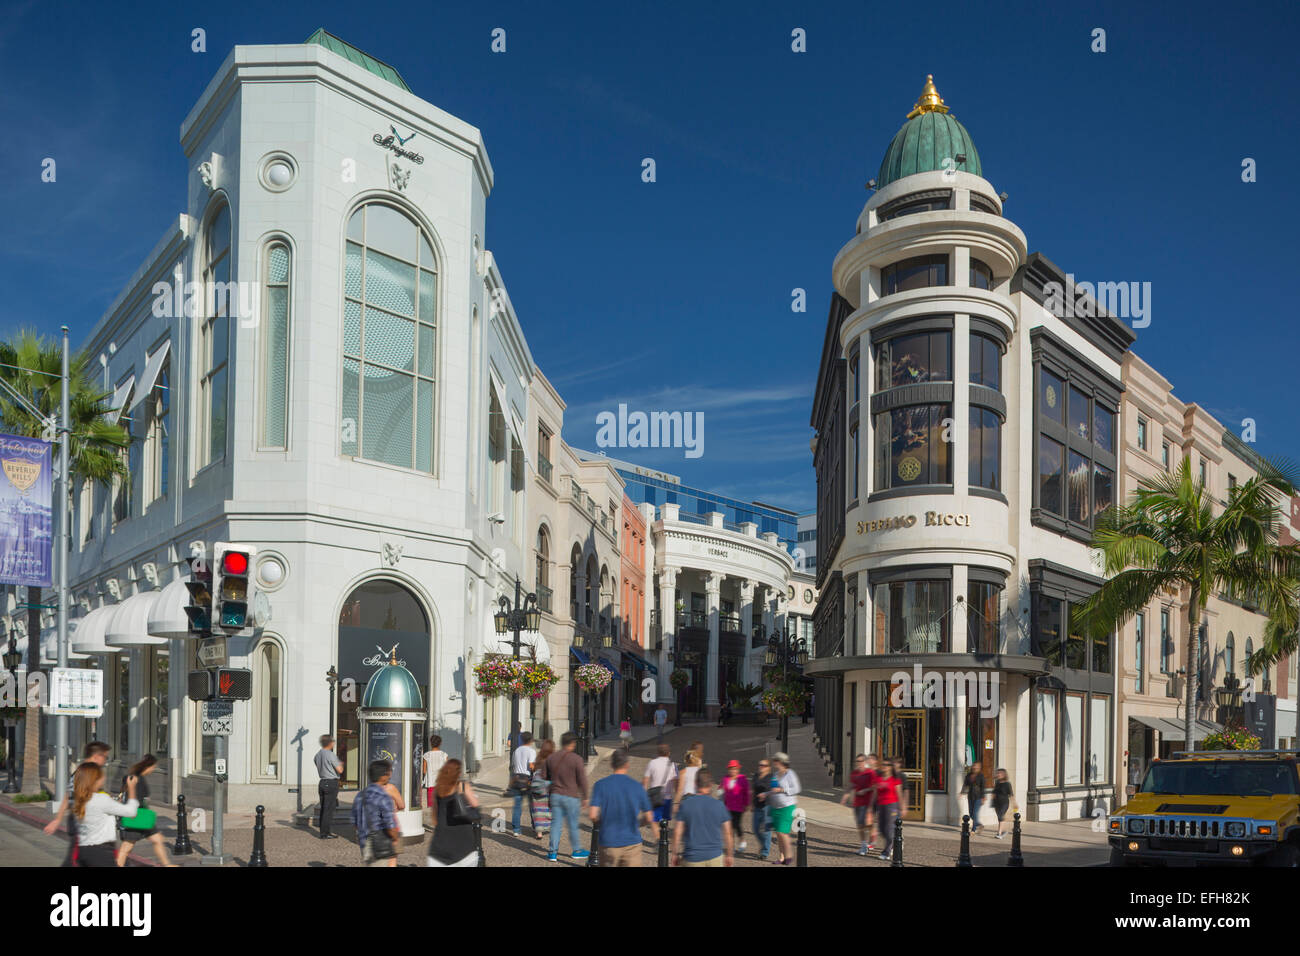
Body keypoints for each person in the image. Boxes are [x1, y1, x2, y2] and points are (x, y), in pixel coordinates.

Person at [45, 741, 111, 866]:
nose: (106, 761)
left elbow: (69, 796)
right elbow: (68, 797)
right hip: (82, 821)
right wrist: (57, 820)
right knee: (76, 858)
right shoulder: (83, 773)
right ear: (97, 756)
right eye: (105, 757)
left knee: (81, 857)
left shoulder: (87, 772)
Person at [589, 750, 652, 866]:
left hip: (608, 841)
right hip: (632, 843)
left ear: (612, 764)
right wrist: (638, 823)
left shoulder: (600, 785)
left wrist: (604, 822)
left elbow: (592, 815)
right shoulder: (637, 787)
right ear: (627, 764)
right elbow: (649, 817)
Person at [71, 761, 138, 868]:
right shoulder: (101, 799)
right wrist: (132, 788)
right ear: (94, 779)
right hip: (100, 852)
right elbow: (131, 812)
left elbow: (99, 814)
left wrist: (115, 804)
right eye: (101, 775)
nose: (104, 777)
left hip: (83, 851)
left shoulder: (79, 801)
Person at [114, 755, 175, 867]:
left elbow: (124, 795)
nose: (153, 770)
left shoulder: (132, 776)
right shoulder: (138, 779)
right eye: (153, 767)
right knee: (126, 847)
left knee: (157, 839)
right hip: (136, 817)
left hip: (142, 818)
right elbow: (133, 798)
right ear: (147, 766)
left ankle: (167, 865)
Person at [671, 771, 733, 866]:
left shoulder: (686, 805)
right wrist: (729, 855)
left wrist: (674, 854)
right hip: (715, 856)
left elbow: (677, 832)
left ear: (695, 783)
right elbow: (728, 833)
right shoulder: (719, 806)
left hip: (692, 857)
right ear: (711, 784)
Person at [545, 731, 589, 862]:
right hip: (571, 795)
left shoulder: (551, 758)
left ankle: (552, 853)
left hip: (555, 795)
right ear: (572, 744)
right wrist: (585, 797)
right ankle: (576, 850)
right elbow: (582, 780)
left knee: (555, 824)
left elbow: (545, 777)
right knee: (572, 824)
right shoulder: (576, 759)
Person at [427, 758, 480, 866]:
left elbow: (435, 816)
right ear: (459, 773)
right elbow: (475, 805)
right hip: (464, 845)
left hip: (440, 846)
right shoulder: (463, 786)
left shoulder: (438, 789)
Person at [352, 759, 399, 867]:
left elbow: (355, 823)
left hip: (364, 842)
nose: (390, 775)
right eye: (388, 773)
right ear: (383, 776)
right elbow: (390, 825)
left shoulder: (360, 795)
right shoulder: (383, 797)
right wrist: (395, 838)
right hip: (380, 844)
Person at [767, 752, 801, 865]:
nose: (774, 763)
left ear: (780, 761)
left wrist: (782, 790)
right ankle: (781, 857)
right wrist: (766, 794)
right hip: (775, 807)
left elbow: (797, 789)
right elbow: (773, 790)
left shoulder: (790, 773)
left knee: (782, 832)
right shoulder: (776, 774)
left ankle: (789, 856)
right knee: (778, 833)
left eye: (775, 761)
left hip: (787, 807)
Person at [840, 753, 877, 855]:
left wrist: (865, 790)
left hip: (868, 802)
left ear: (865, 762)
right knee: (860, 825)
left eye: (861, 761)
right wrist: (845, 797)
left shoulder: (870, 773)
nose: (859, 763)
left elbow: (875, 787)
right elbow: (851, 785)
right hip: (858, 803)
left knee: (868, 824)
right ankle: (864, 845)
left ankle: (873, 837)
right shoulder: (854, 773)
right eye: (857, 761)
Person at [314, 734, 343, 839]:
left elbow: (318, 765)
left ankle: (323, 831)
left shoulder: (317, 755)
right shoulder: (330, 755)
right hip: (331, 782)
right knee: (328, 809)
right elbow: (340, 770)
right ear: (330, 743)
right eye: (333, 742)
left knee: (323, 809)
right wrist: (341, 764)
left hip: (322, 782)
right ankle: (325, 833)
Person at [874, 759, 904, 862]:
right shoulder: (879, 778)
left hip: (892, 806)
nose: (885, 766)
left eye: (887, 765)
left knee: (888, 829)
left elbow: (899, 794)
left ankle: (886, 852)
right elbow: (875, 793)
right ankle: (895, 841)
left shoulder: (895, 779)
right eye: (883, 764)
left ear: (891, 767)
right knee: (881, 829)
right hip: (881, 806)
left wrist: (902, 807)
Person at [510, 731, 537, 837]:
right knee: (532, 804)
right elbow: (531, 766)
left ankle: (516, 829)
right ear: (531, 740)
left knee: (517, 806)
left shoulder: (516, 751)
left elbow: (513, 765)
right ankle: (535, 826)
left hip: (517, 779)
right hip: (527, 779)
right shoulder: (531, 751)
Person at [642, 742, 678, 823]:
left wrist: (644, 798)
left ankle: (657, 834)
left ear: (658, 753)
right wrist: (676, 799)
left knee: (654, 822)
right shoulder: (673, 765)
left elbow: (645, 782)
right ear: (669, 753)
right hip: (668, 798)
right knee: (665, 823)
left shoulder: (652, 763)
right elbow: (676, 783)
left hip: (655, 797)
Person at [531, 739, 556, 837]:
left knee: (538, 810)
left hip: (537, 787)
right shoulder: (553, 759)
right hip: (548, 787)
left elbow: (533, 770)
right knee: (548, 809)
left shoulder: (538, 757)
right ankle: (549, 826)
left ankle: (539, 832)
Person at [751, 758, 774, 860]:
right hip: (757, 806)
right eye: (760, 764)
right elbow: (753, 790)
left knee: (766, 831)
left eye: (764, 765)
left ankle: (765, 852)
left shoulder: (771, 777)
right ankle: (763, 845)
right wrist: (751, 803)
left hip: (768, 806)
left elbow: (773, 791)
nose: (761, 767)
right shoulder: (756, 776)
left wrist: (765, 795)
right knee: (755, 829)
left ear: (768, 768)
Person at [422, 734, 448, 817]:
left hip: (431, 783)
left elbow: (424, 770)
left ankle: (435, 821)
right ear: (440, 743)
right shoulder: (444, 755)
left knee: (433, 805)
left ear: (430, 743)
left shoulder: (426, 755)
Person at [992, 769, 1015, 839]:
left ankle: (999, 833)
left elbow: (1011, 794)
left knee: (1001, 816)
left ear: (1004, 775)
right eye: (998, 773)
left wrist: (1014, 803)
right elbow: (994, 792)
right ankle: (1003, 831)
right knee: (1000, 817)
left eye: (1000, 773)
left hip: (1004, 803)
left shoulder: (1007, 784)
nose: (999, 774)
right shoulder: (997, 783)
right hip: (996, 803)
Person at [963, 762, 986, 834]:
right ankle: (979, 825)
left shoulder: (981, 776)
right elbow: (965, 784)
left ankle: (973, 830)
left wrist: (983, 797)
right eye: (974, 766)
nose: (975, 767)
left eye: (977, 766)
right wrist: (961, 792)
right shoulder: (969, 775)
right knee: (971, 814)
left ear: (979, 768)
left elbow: (983, 787)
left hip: (978, 797)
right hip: (970, 796)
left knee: (975, 814)